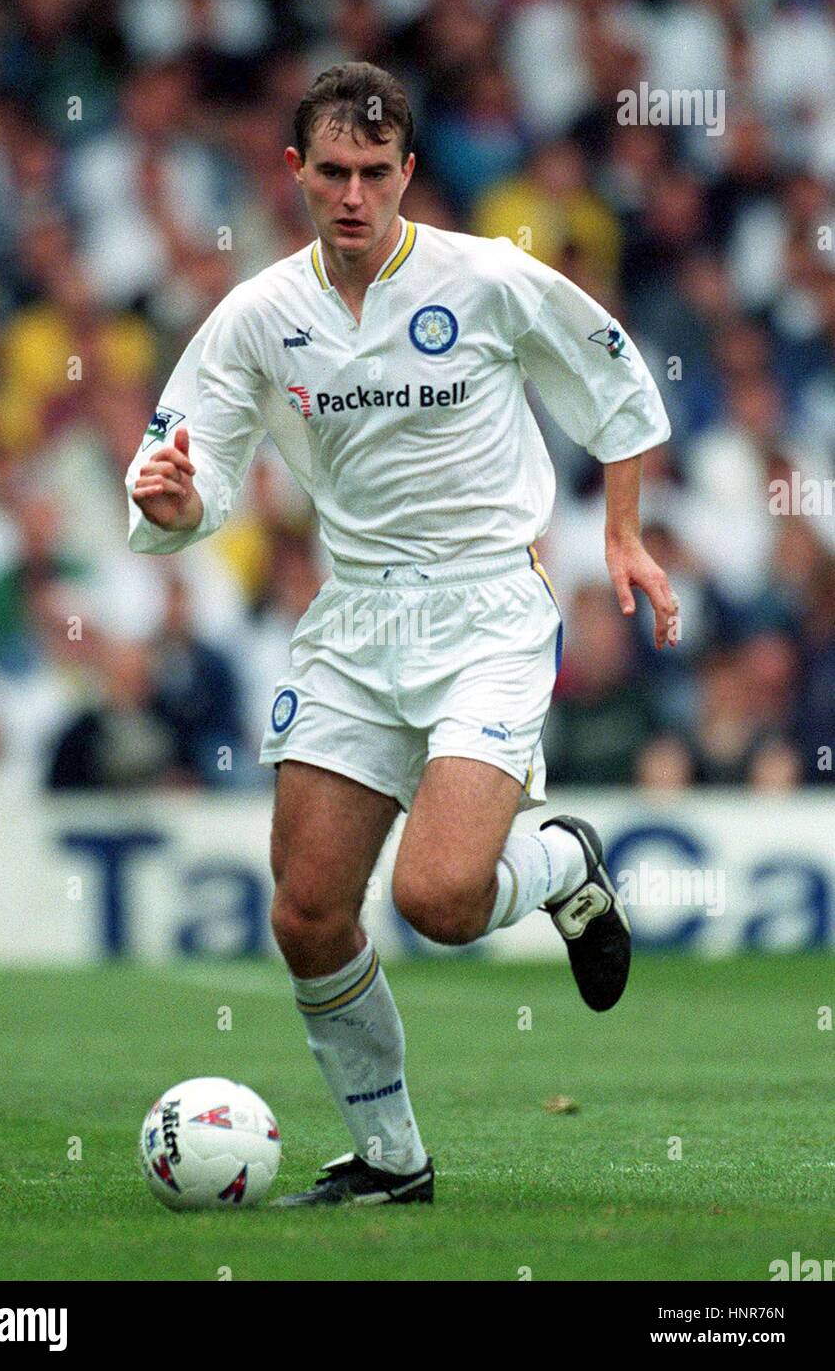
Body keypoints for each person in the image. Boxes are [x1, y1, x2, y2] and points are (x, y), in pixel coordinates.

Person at [126, 62, 677, 1207]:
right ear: (295, 172)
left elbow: (615, 377)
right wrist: (170, 503)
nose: (353, 194)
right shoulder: (260, 316)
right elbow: (190, 462)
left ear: (408, 174)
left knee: (437, 898)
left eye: (376, 173)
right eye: (331, 171)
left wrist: (621, 535)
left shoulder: (485, 278)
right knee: (307, 909)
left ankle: (563, 861)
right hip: (356, 613)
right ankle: (393, 1161)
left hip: (488, 608)